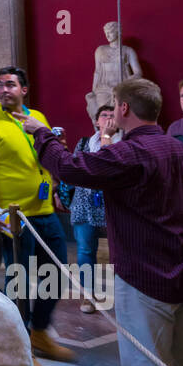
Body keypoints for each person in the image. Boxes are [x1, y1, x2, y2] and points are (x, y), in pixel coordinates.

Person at [24, 77, 183, 366]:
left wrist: (42, 135)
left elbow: (71, 169)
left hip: (145, 278)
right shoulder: (176, 147)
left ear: (122, 109)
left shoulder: (131, 152)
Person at [0, 65, 74, 366]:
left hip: (43, 212)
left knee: (56, 273)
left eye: (10, 84)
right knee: (19, 282)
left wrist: (58, 156)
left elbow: (45, 154)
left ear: (23, 90)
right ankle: (18, 346)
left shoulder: (37, 118)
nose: (3, 90)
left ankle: (40, 332)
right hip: (13, 216)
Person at [60, 105, 118, 314]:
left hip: (114, 208)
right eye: (104, 115)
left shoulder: (125, 144)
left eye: (113, 115)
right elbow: (73, 170)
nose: (109, 118)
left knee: (120, 252)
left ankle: (124, 295)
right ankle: (88, 295)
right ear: (96, 121)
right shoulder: (84, 143)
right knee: (85, 251)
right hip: (85, 205)